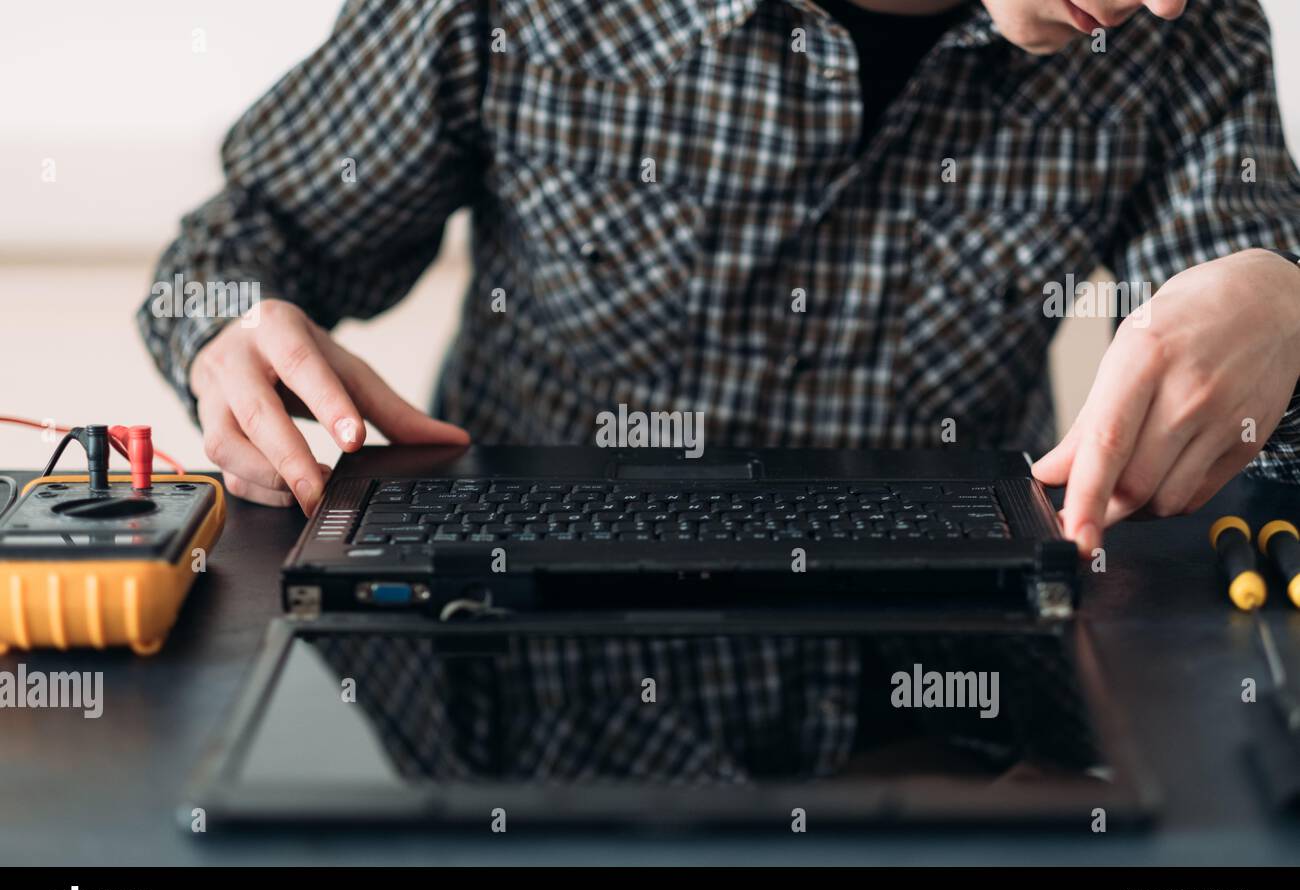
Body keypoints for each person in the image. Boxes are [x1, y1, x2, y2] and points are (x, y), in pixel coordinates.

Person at [137, 0, 1300, 556]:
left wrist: (1286, 314)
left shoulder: (1184, 30)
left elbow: (1244, 413)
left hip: (964, 709)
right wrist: (227, 332)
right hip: (515, 689)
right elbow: (236, 247)